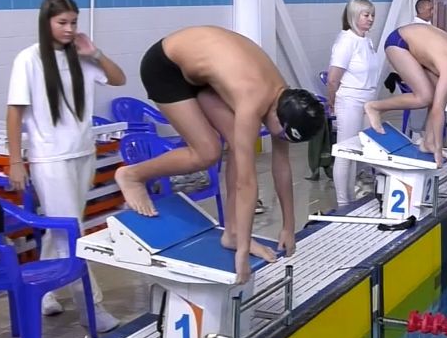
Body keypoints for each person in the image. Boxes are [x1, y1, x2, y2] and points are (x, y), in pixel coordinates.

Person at [114, 27, 326, 283]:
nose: (281, 140)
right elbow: (246, 183)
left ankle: (233, 234)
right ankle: (132, 175)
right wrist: (243, 252)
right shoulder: (253, 100)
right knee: (207, 152)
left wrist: (289, 227)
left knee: (237, 146)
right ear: (278, 116)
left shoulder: (284, 100)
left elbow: (282, 167)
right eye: (282, 135)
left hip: (202, 75)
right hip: (166, 66)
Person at [6, 0, 126, 330]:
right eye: (62, 22)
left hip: (83, 152)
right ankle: (92, 307)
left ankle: (44, 293)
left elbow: (119, 79)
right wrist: (15, 160)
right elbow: (14, 111)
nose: (69, 29)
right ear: (46, 22)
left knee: (60, 227)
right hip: (50, 158)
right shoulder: (28, 59)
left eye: (73, 22)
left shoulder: (81, 57)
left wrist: (96, 54)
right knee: (71, 231)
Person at [365, 23, 447, 168]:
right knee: (425, 97)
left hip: (417, 45)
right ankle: (375, 107)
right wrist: (438, 148)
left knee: (441, 94)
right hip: (399, 42)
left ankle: (428, 143)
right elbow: (437, 110)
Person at [326, 0, 381, 208]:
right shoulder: (346, 41)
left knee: (362, 149)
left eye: (372, 15)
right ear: (354, 16)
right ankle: (343, 202)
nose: (370, 19)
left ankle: (353, 196)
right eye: (366, 15)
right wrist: (333, 103)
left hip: (368, 100)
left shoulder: (367, 40)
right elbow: (333, 79)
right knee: (345, 152)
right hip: (350, 100)